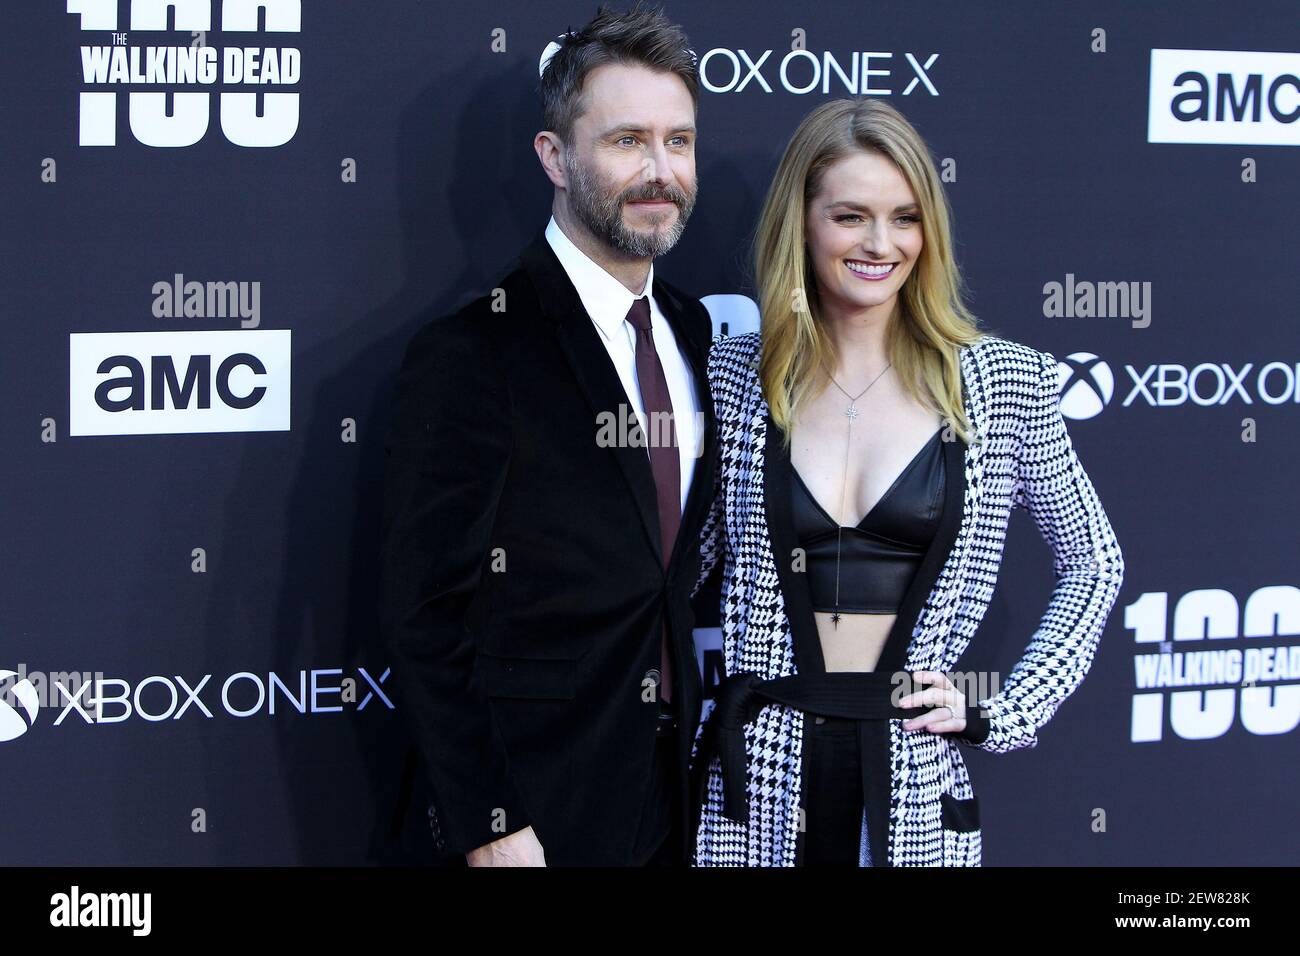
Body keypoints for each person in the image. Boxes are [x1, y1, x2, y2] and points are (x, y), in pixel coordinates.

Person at [688, 98, 1125, 866]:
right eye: (851, 216)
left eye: (905, 217)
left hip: (914, 785)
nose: (880, 244)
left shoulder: (1003, 383)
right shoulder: (733, 377)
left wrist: (1004, 708)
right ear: (803, 221)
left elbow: (1094, 561)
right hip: (753, 787)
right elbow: (676, 567)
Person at [379, 3, 715, 867]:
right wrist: (491, 820)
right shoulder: (475, 349)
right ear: (554, 156)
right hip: (532, 815)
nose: (659, 171)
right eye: (626, 140)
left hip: (679, 806)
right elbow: (424, 616)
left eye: (678, 142)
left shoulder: (698, 335)